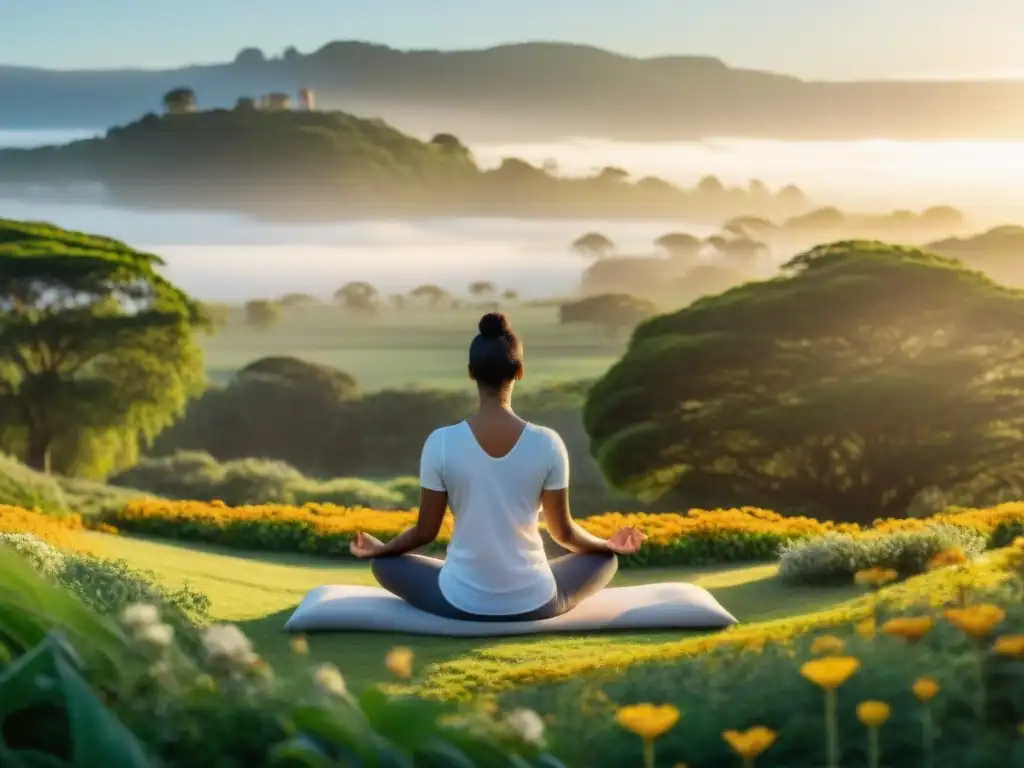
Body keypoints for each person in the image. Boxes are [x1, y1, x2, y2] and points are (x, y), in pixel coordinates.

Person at [349, 311, 645, 622]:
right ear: (519, 372)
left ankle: (454, 580)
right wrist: (607, 544)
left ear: (471, 373)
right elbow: (564, 534)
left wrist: (381, 550)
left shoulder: (441, 442)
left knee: (385, 564)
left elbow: (425, 532)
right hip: (536, 601)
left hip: (460, 602)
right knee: (606, 560)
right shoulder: (548, 442)